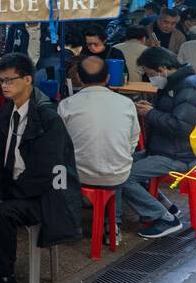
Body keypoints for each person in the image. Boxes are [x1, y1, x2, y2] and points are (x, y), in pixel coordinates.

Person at [0, 53, 82, 283]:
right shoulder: (5, 112)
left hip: (44, 196)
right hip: (11, 186)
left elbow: (48, 170)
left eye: (10, 80)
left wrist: (6, 195)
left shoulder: (47, 118)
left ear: (28, 80)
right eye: (1, 81)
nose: (4, 85)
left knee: (3, 212)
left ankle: (3, 278)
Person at [120, 46, 196, 239]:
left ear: (162, 69)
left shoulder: (189, 87)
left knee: (123, 177)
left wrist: (150, 113)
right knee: (120, 165)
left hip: (180, 155)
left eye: (150, 74)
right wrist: (153, 110)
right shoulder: (173, 85)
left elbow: (180, 126)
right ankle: (168, 207)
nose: (150, 79)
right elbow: (174, 116)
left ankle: (164, 218)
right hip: (163, 148)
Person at [58, 55, 141, 200]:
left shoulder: (66, 104)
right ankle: (114, 216)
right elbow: (133, 140)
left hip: (79, 175)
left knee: (56, 166)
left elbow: (60, 143)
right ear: (108, 77)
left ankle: (63, 212)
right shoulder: (126, 103)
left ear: (78, 77)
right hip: (118, 174)